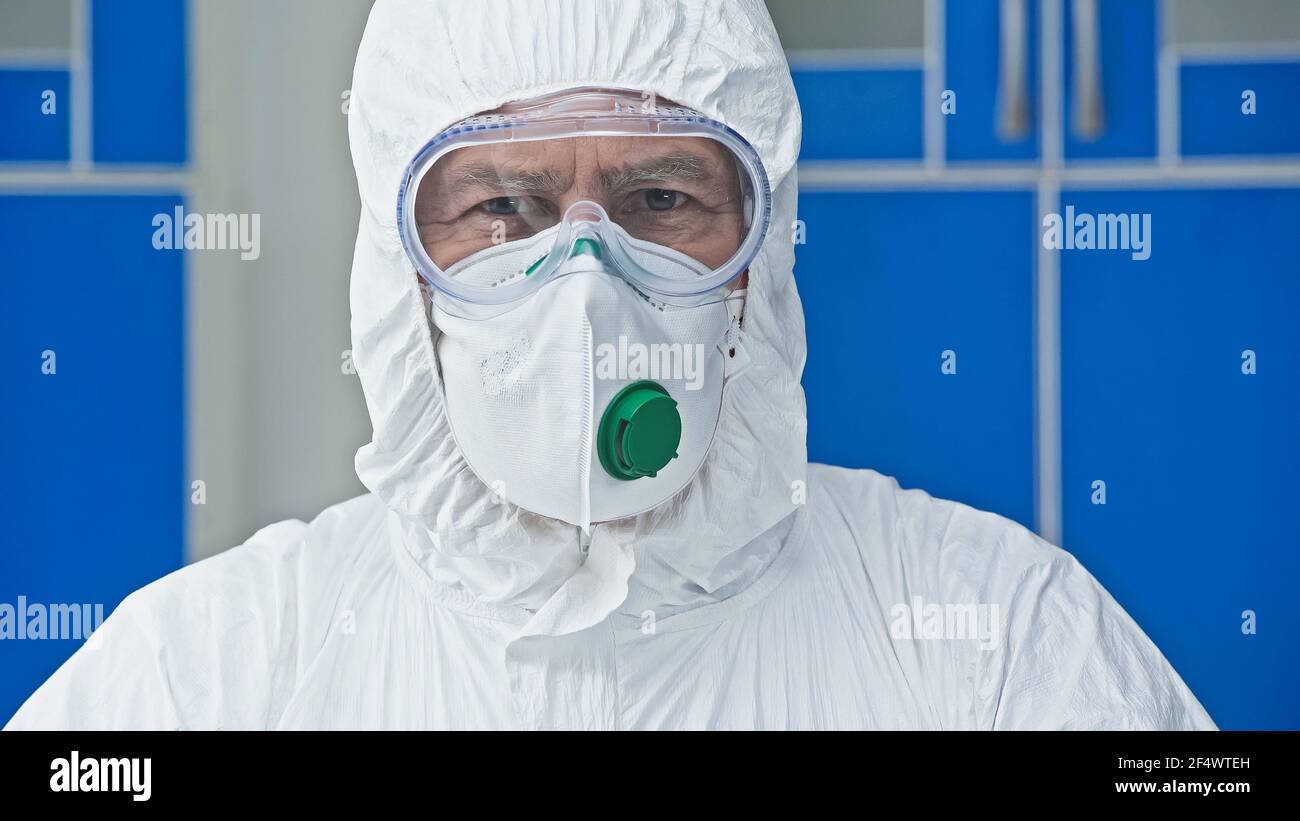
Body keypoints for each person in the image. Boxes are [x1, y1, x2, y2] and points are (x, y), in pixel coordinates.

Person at [5, 0, 1214, 730]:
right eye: (502, 208)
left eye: (661, 197)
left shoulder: (998, 643)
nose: (587, 282)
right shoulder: (198, 679)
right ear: (399, 262)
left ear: (757, 257)